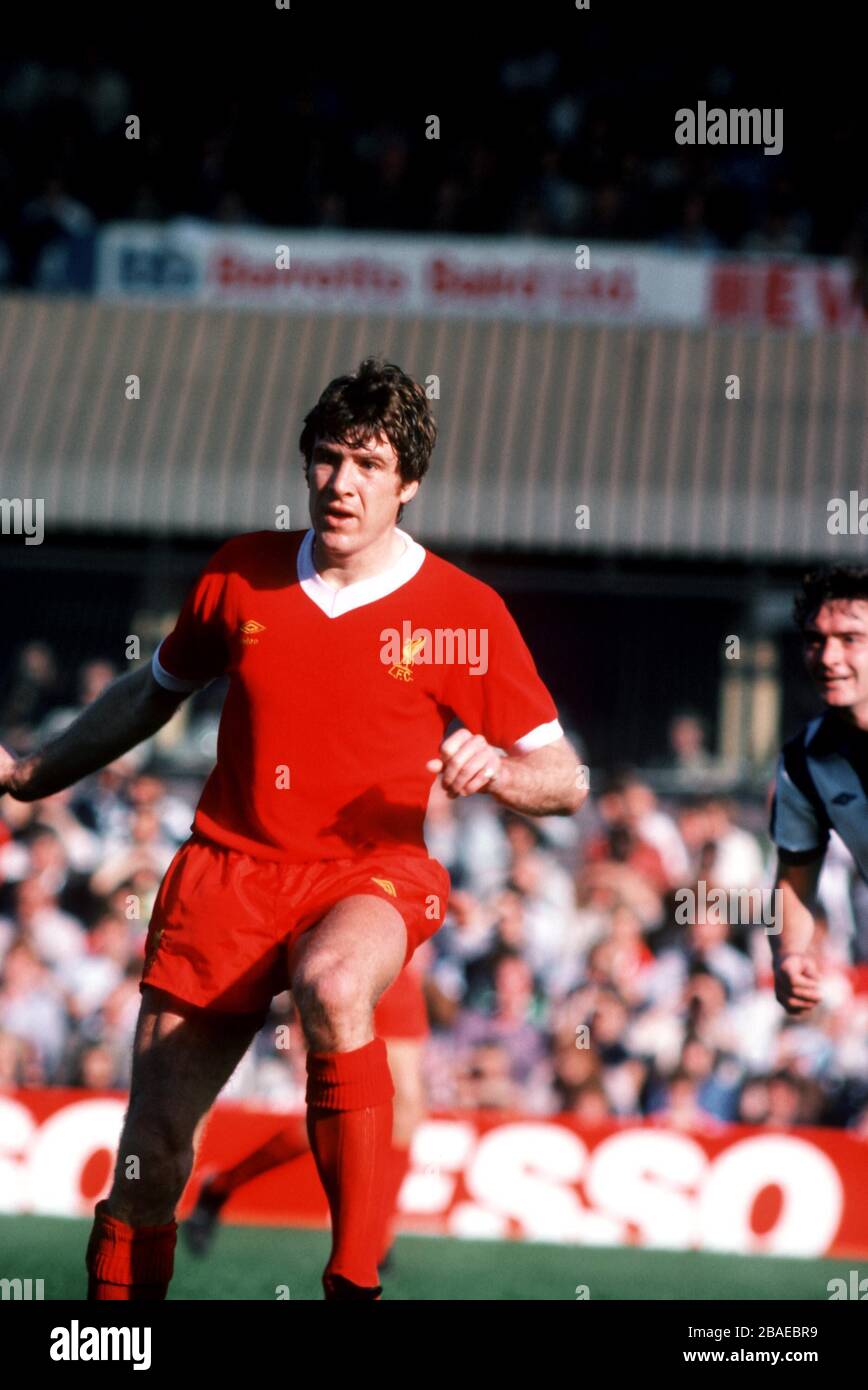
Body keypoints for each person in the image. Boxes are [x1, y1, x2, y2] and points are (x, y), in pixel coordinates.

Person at [0, 357, 583, 1301]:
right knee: (148, 1157)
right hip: (227, 874)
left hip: (370, 873)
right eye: (326, 458)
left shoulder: (464, 613)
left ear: (409, 484)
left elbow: (566, 779)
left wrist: (507, 773)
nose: (341, 483)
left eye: (366, 463)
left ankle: (352, 1281)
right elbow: (150, 697)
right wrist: (32, 773)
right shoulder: (239, 575)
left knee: (335, 981)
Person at [184, 962, 430, 1275]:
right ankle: (221, 1186)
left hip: (394, 959)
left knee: (406, 1107)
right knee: (335, 1111)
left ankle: (376, 1242)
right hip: (341, 957)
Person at [769, 566, 868, 1016]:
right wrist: (789, 955)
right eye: (815, 640)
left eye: (850, 639)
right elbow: (794, 879)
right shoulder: (804, 761)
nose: (828, 657)